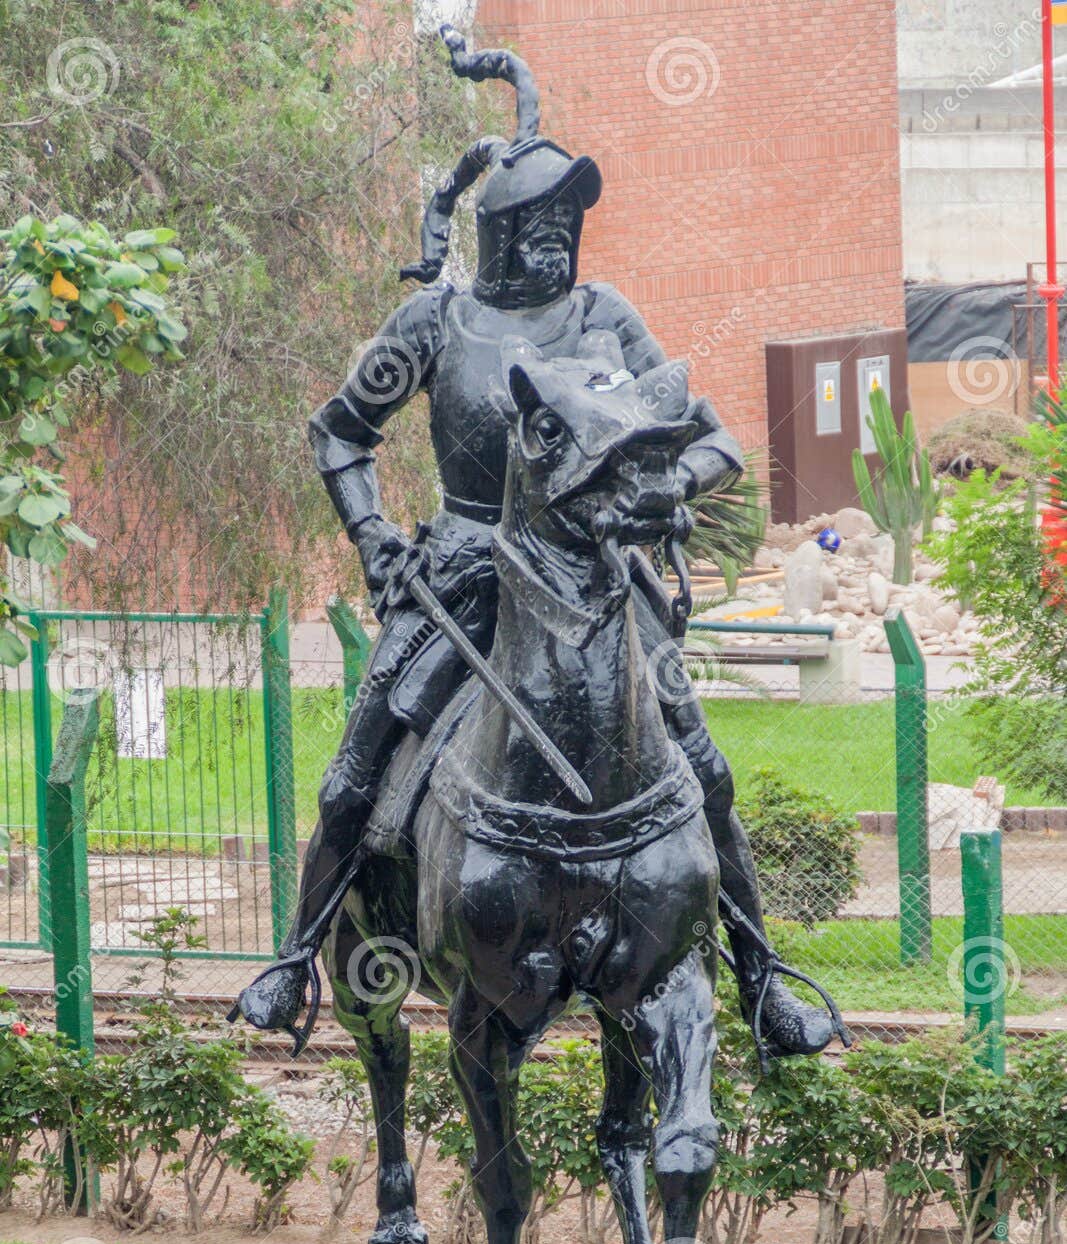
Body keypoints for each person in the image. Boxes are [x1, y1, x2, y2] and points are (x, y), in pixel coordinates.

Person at [234, 27, 838, 1062]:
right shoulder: (433, 321)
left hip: (603, 580)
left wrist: (658, 492)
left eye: (570, 218)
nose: (559, 237)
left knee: (706, 766)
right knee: (353, 772)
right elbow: (339, 429)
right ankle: (295, 957)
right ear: (496, 230)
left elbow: (717, 437)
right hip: (462, 581)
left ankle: (760, 974)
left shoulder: (605, 316)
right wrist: (376, 537)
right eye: (539, 220)